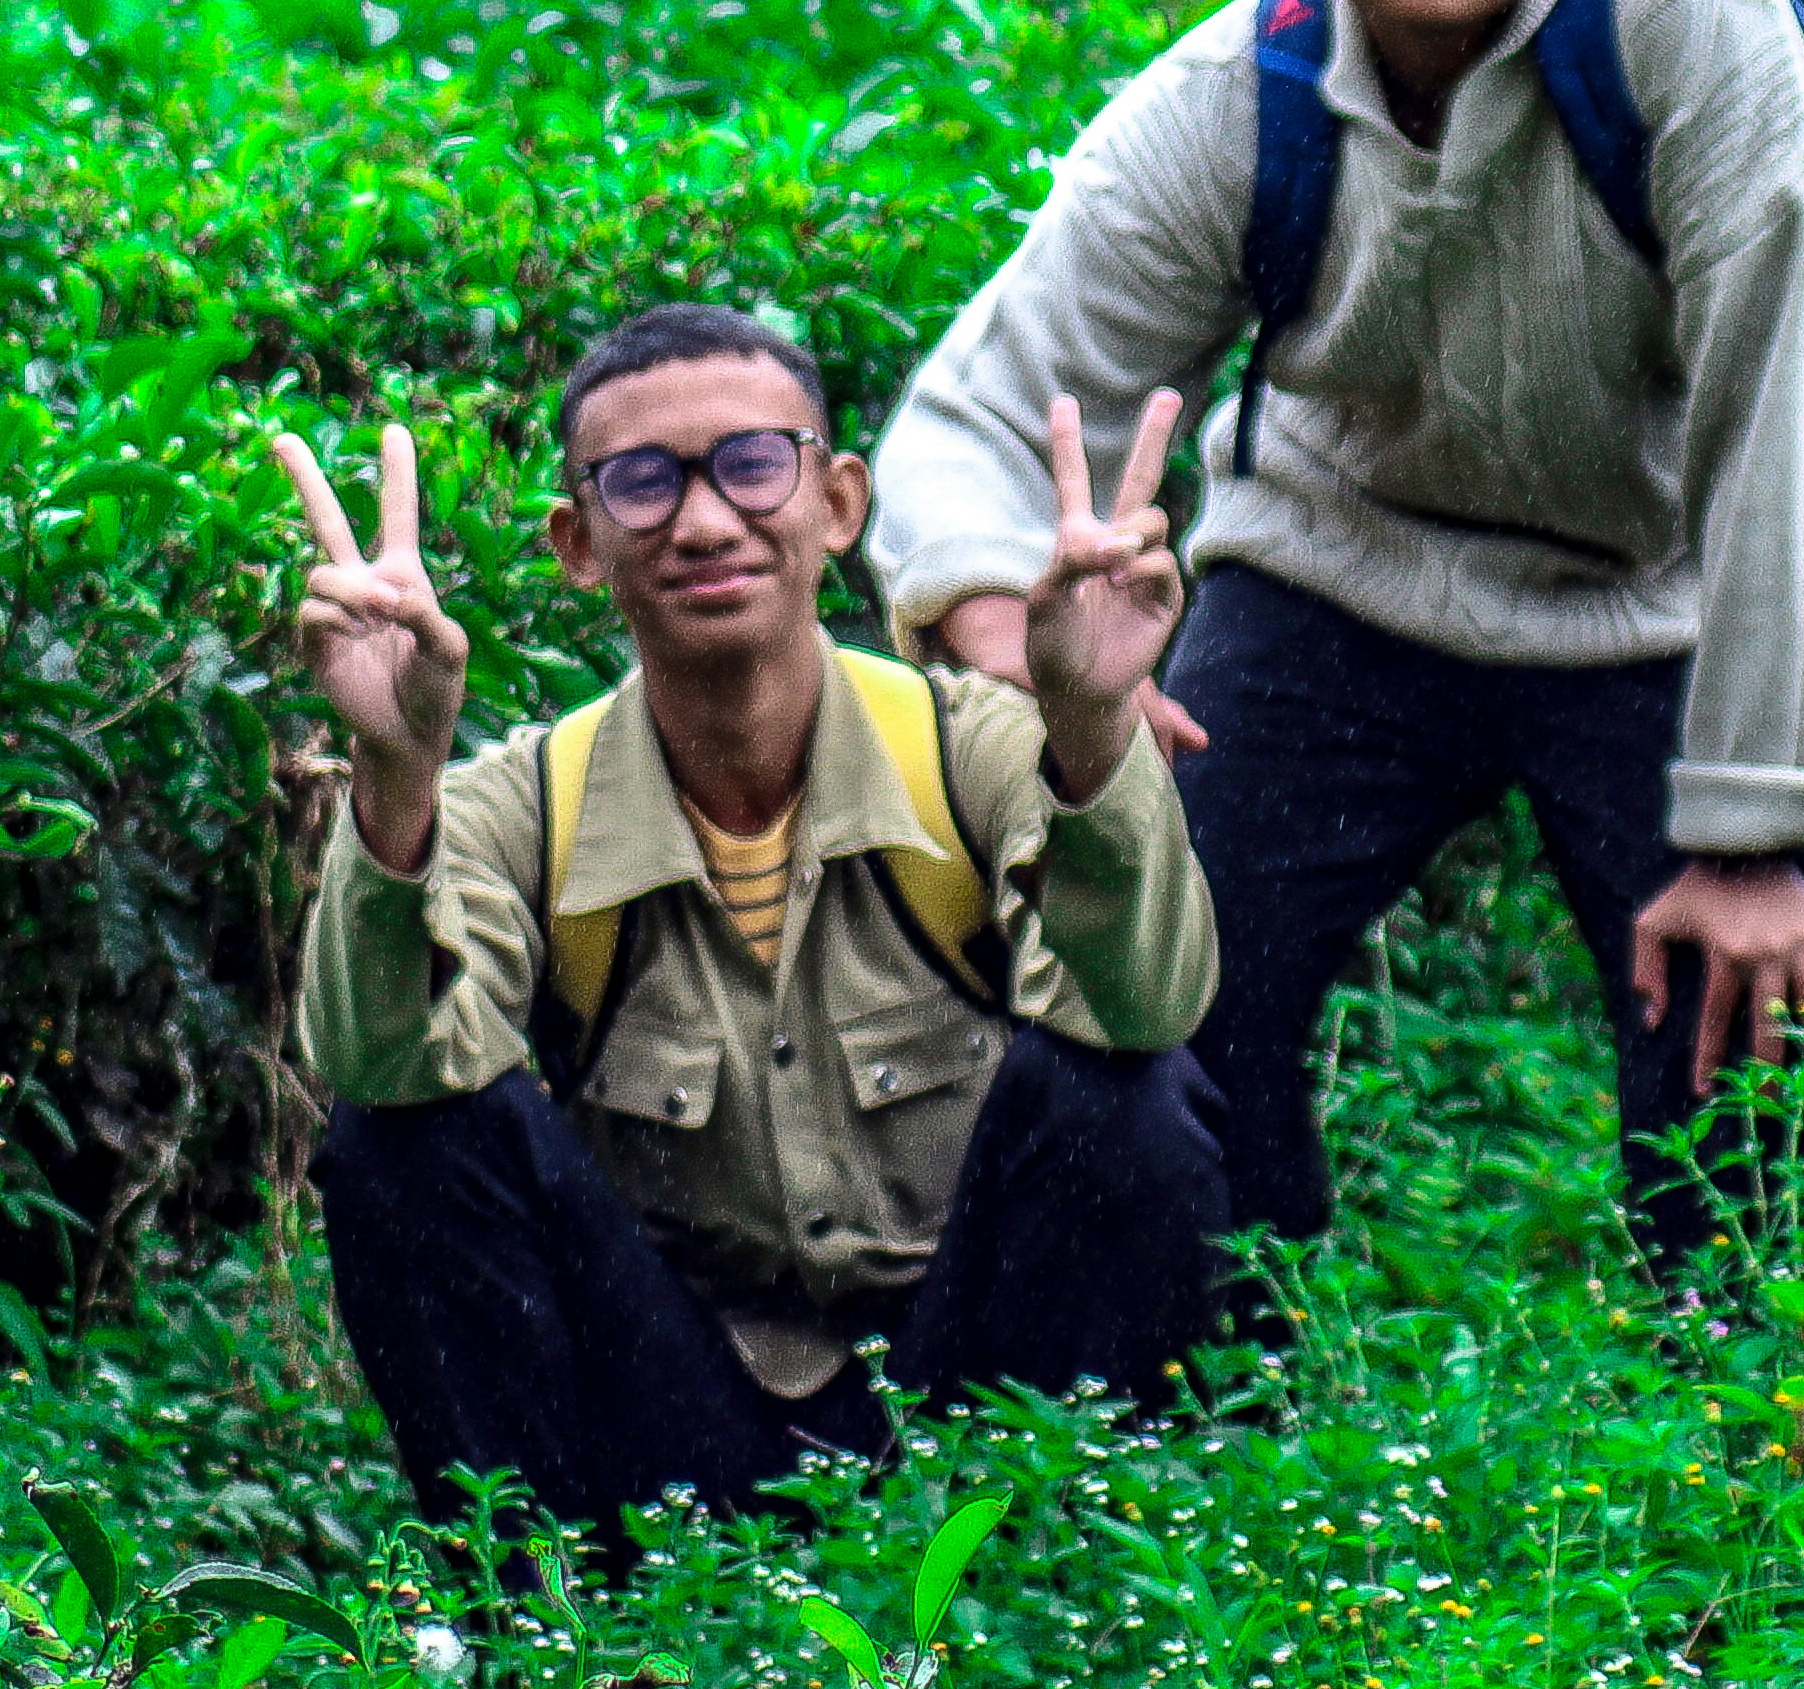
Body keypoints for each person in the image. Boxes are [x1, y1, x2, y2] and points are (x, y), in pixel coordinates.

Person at [868, 0, 1804, 1265]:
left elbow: (1797, 421)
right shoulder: (1239, 85)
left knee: (1747, 1065)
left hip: (1656, 598)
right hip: (1334, 571)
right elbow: (977, 409)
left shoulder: (1688, 26)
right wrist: (1011, 646)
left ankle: (1763, 1422)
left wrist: (1757, 829)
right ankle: (1212, 1410)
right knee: (1147, 982)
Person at [289, 303, 1224, 1533]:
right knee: (395, 1146)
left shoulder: (971, 754)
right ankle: (554, 1639)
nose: (704, 520)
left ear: (838, 504)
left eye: (751, 464)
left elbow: (1146, 1005)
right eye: (641, 483)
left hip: (968, 1401)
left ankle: (1056, 1578)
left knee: (1131, 1104)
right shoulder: (528, 807)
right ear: (578, 542)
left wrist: (1095, 728)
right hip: (668, 1430)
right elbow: (377, 1063)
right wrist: (397, 771)